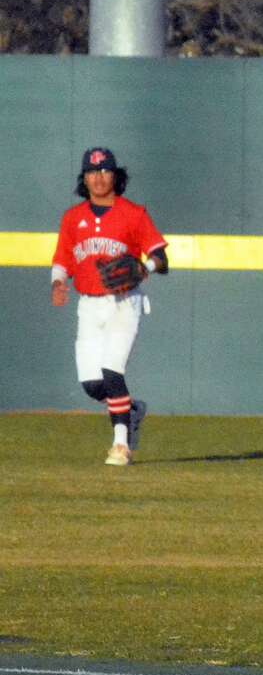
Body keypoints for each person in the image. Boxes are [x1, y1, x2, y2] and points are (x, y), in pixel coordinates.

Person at [51, 148, 168, 466]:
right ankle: (131, 410)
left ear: (116, 176)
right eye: (92, 172)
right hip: (88, 306)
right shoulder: (73, 218)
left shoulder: (133, 213)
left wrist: (147, 268)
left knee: (112, 371)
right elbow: (62, 259)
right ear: (84, 178)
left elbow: (161, 256)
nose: (99, 177)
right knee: (92, 385)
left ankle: (120, 446)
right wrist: (58, 282)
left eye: (105, 171)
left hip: (123, 305)